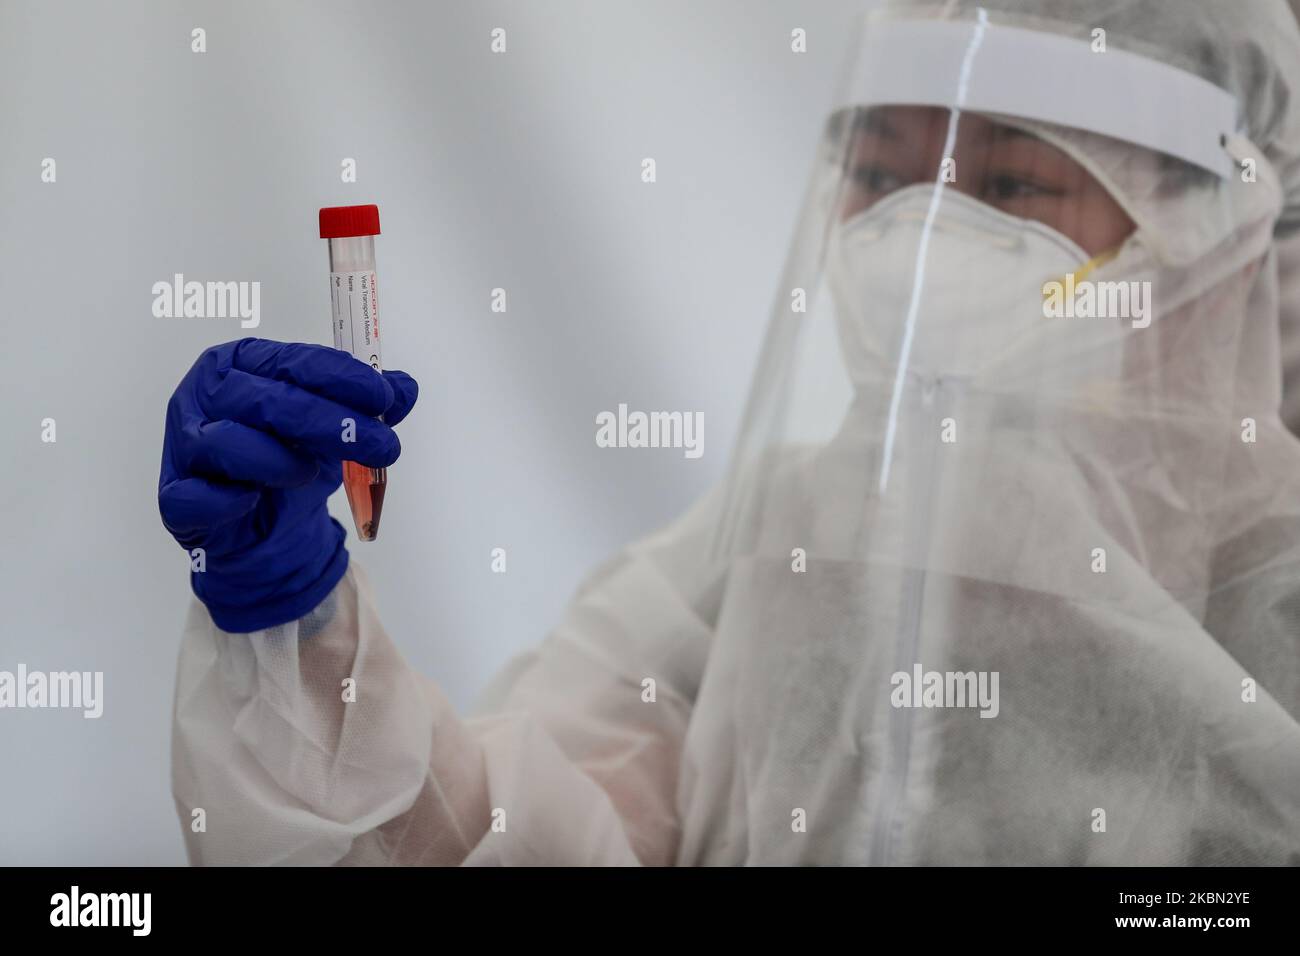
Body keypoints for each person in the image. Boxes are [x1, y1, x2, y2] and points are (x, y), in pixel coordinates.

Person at [161, 0, 1300, 865]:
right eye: (877, 175)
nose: (914, 235)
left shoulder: (1276, 597)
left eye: (1006, 180)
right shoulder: (778, 550)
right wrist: (296, 622)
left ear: (1214, 223)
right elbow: (496, 841)